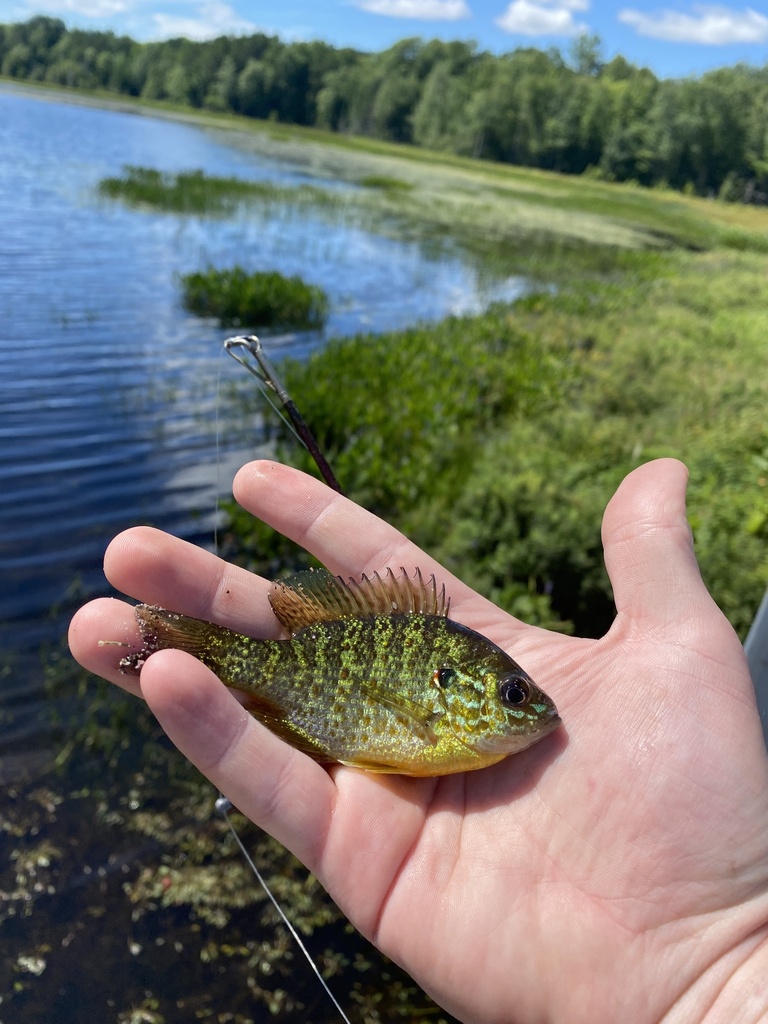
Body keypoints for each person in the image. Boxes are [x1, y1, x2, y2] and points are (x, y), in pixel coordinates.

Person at [69, 457, 768, 1024]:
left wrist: (718, 973)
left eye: (514, 693)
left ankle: (178, 644)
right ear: (452, 691)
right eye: (511, 695)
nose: (533, 711)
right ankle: (180, 644)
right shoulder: (443, 726)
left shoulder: (467, 734)